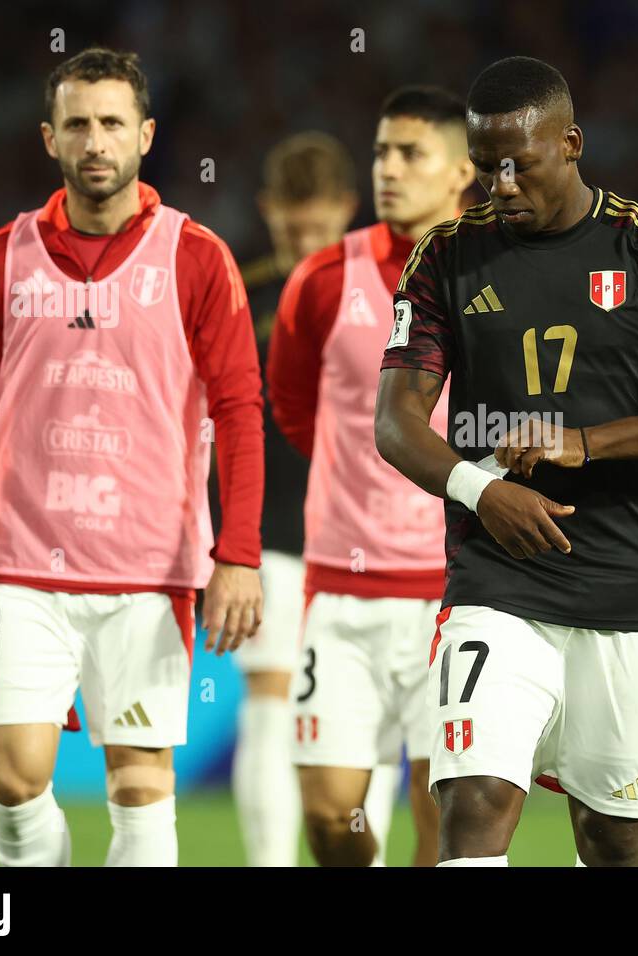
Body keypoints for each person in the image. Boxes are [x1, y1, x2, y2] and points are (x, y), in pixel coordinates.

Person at [375, 56, 638, 867]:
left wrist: (584, 444)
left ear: (572, 142)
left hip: (627, 580)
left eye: (520, 165)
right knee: (474, 800)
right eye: (485, 170)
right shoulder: (446, 254)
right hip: (495, 578)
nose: (500, 187)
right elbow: (396, 421)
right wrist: (482, 493)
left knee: (615, 839)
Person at [0, 47, 264, 867]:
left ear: (147, 135)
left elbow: (239, 408)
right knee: (15, 782)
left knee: (138, 787)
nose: (98, 142)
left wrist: (238, 553)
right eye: (80, 125)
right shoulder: (3, 256)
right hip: (24, 564)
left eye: (114, 124)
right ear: (50, 138)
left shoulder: (196, 257)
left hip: (150, 568)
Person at [268, 86, 474, 866]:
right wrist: (365, 471)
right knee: (329, 817)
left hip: (457, 592)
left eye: (410, 153)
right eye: (382, 150)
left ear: (461, 172)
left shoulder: (499, 277)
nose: (388, 167)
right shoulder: (322, 280)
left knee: (447, 818)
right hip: (344, 589)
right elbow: (293, 407)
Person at [229, 131, 399, 866]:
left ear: (346, 209)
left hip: (372, 530)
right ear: (267, 210)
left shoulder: (384, 285)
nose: (302, 240)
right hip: (270, 528)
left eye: (316, 225)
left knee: (377, 716)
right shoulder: (244, 290)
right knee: (271, 689)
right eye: (288, 224)